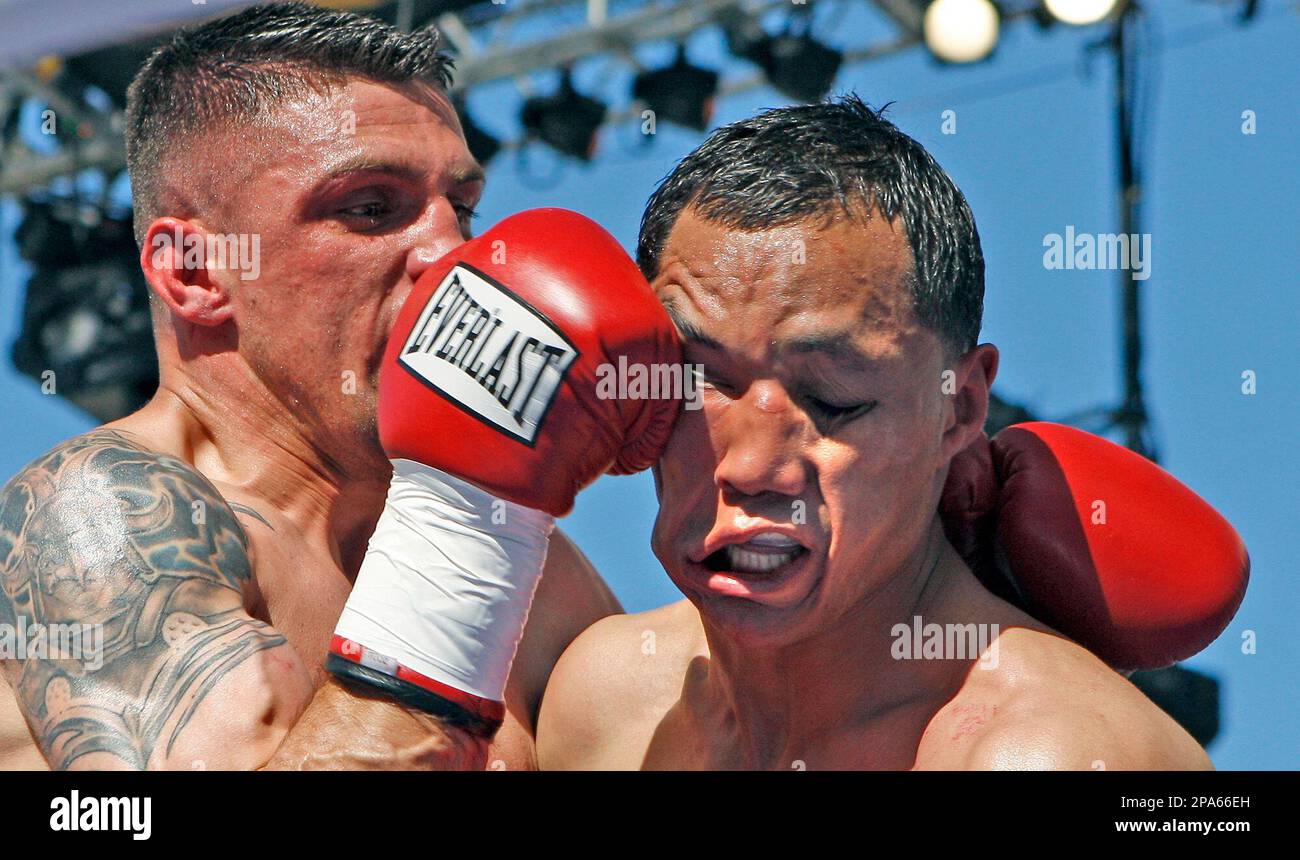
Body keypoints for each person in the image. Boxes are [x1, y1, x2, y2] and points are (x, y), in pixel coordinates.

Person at [0, 2, 623, 770]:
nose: (452, 253)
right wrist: (462, 529)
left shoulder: (515, 549)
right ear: (195, 272)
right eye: (370, 208)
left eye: (462, 210)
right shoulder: (106, 512)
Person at [531, 97, 1233, 770]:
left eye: (833, 399)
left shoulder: (1047, 754)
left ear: (959, 408)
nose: (750, 466)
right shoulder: (604, 706)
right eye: (698, 379)